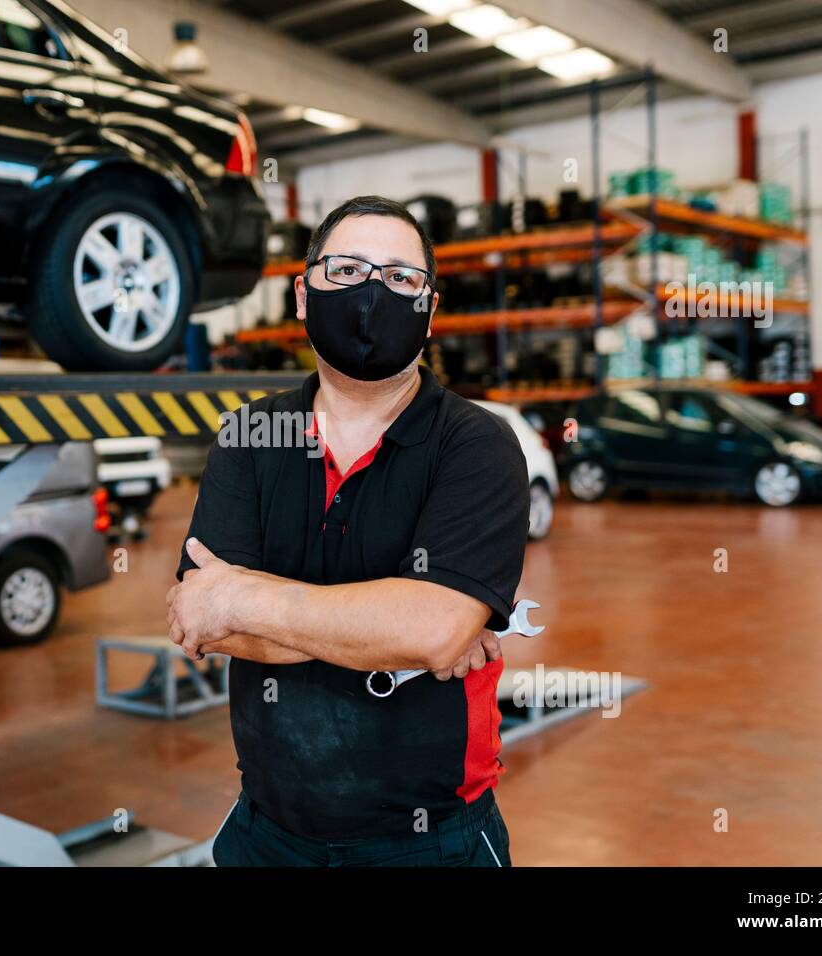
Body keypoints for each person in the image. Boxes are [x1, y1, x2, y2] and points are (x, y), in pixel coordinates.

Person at [166, 195, 529, 867]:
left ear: (429, 308)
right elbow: (206, 624)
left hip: (434, 843)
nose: (371, 291)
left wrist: (240, 595)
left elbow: (430, 630)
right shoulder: (249, 434)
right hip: (266, 833)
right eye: (346, 270)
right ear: (303, 295)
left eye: (400, 277)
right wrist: (393, 625)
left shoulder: (477, 444)